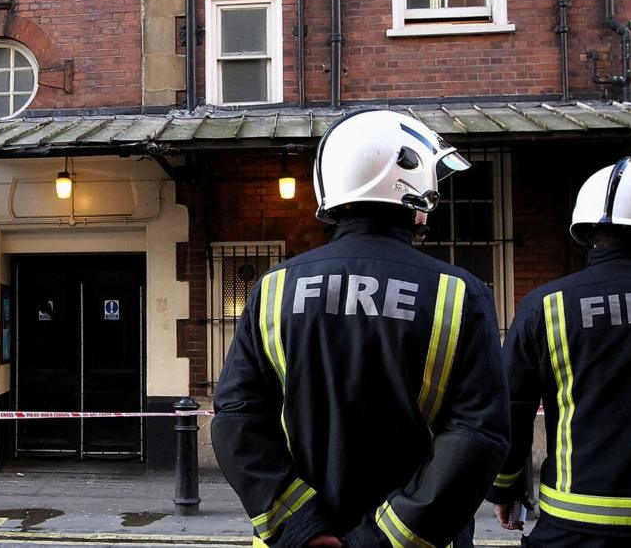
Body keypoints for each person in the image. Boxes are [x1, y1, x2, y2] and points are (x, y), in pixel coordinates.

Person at [212, 109, 510, 548]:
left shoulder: (274, 288)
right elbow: (477, 436)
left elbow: (238, 419)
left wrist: (303, 527)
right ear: (412, 187)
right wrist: (379, 539)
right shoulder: (458, 294)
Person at [487, 157, 631, 547]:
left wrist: (505, 489)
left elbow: (510, 410)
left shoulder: (547, 305)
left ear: (586, 232)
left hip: (575, 525)